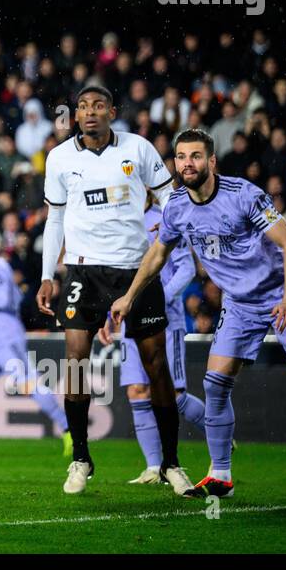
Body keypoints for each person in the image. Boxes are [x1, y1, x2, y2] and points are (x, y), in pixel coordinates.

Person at [108, 129, 286, 502]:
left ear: (211, 161)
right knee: (215, 383)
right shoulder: (177, 206)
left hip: (282, 294)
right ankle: (220, 474)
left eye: (196, 156)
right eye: (181, 157)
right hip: (240, 303)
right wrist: (129, 296)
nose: (188, 164)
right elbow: (157, 254)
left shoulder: (243, 195)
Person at [37, 85, 198, 497]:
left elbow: (168, 196)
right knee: (74, 361)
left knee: (155, 364)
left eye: (98, 106)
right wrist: (46, 275)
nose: (90, 113)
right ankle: (81, 458)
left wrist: (174, 228)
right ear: (75, 116)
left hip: (135, 270)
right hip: (82, 271)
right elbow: (54, 220)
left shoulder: (138, 148)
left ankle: (171, 463)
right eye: (82, 108)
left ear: (111, 111)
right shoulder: (59, 158)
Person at [0, 230, 72, 456]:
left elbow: (3, 300)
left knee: (29, 385)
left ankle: (69, 429)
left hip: (7, 338)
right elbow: (15, 298)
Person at [119, 201, 206, 484]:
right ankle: (153, 467)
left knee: (174, 394)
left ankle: (219, 434)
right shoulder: (115, 218)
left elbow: (186, 269)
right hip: (128, 317)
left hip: (165, 321)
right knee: (136, 391)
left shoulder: (164, 219)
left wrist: (156, 299)